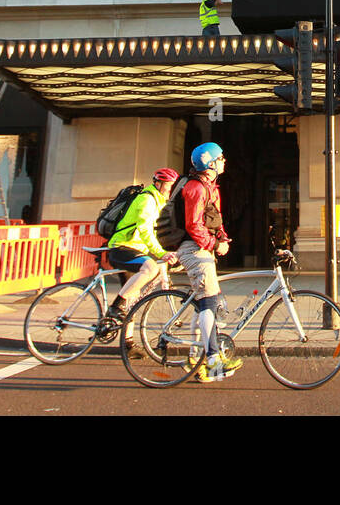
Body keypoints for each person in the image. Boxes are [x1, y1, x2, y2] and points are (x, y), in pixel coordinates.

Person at [173, 142, 241, 382]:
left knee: (202, 304)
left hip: (203, 248)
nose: (224, 161)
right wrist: (213, 244)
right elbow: (193, 225)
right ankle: (213, 359)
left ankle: (194, 358)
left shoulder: (211, 187)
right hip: (194, 248)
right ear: (210, 162)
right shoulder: (195, 188)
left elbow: (216, 219)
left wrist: (222, 237)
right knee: (209, 303)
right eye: (220, 157)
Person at [102, 167, 180, 358]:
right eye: (169, 186)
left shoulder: (160, 202)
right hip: (122, 247)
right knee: (150, 268)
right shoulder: (147, 200)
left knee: (134, 298)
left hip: (138, 250)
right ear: (159, 184)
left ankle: (127, 344)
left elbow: (160, 230)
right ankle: (115, 307)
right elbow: (145, 230)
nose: (171, 190)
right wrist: (160, 253)